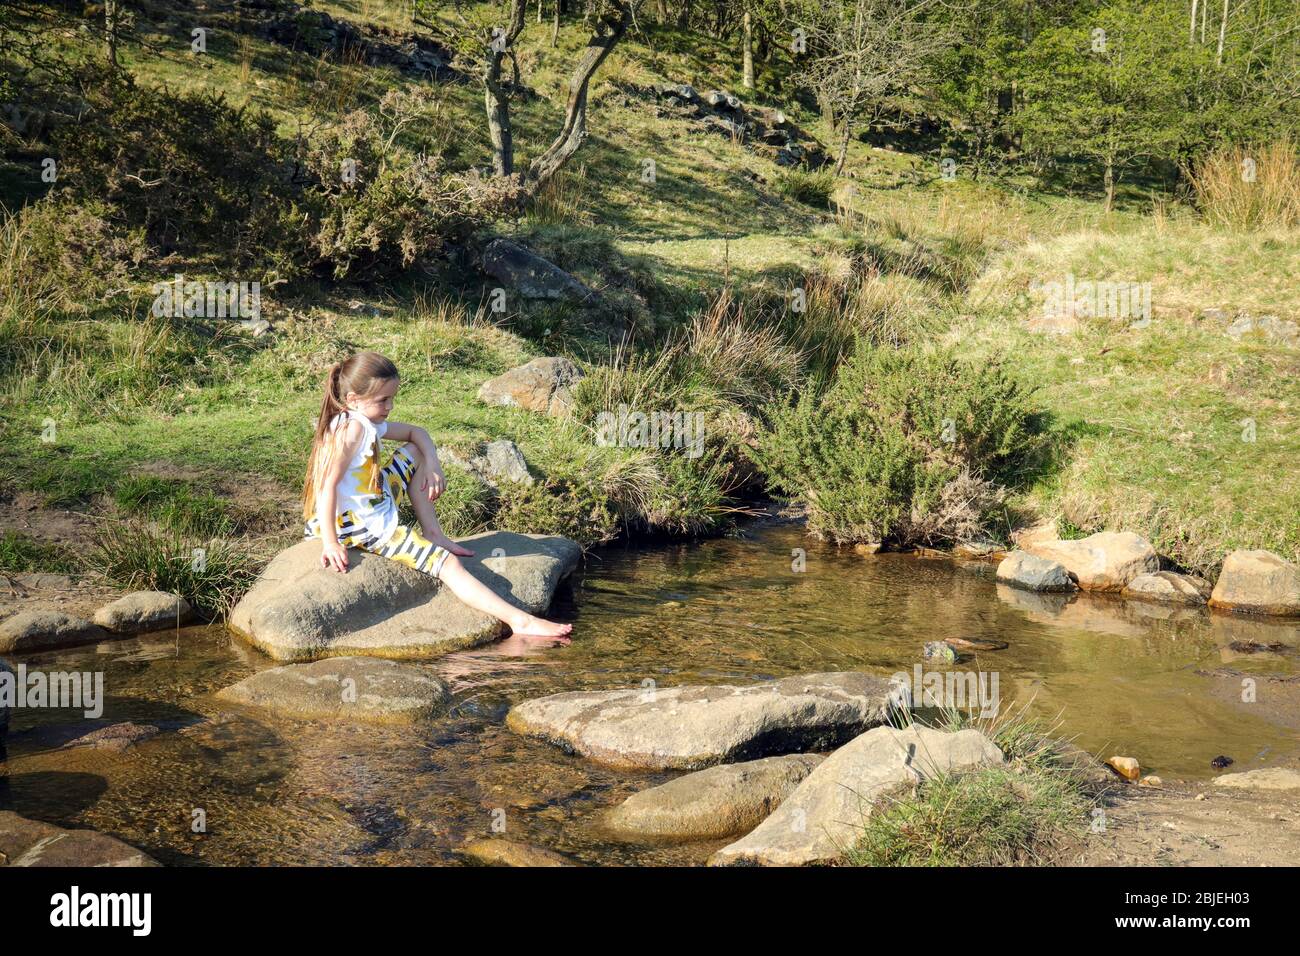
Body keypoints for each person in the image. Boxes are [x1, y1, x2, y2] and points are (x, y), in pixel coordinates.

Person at [301, 351, 572, 641]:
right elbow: (326, 486)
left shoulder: (361, 419)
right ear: (354, 398)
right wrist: (330, 542)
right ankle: (520, 621)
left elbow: (417, 433)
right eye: (383, 400)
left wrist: (433, 464)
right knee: (448, 564)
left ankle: (433, 533)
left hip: (372, 497)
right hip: (359, 524)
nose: (390, 406)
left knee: (415, 451)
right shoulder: (351, 428)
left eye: (393, 398)